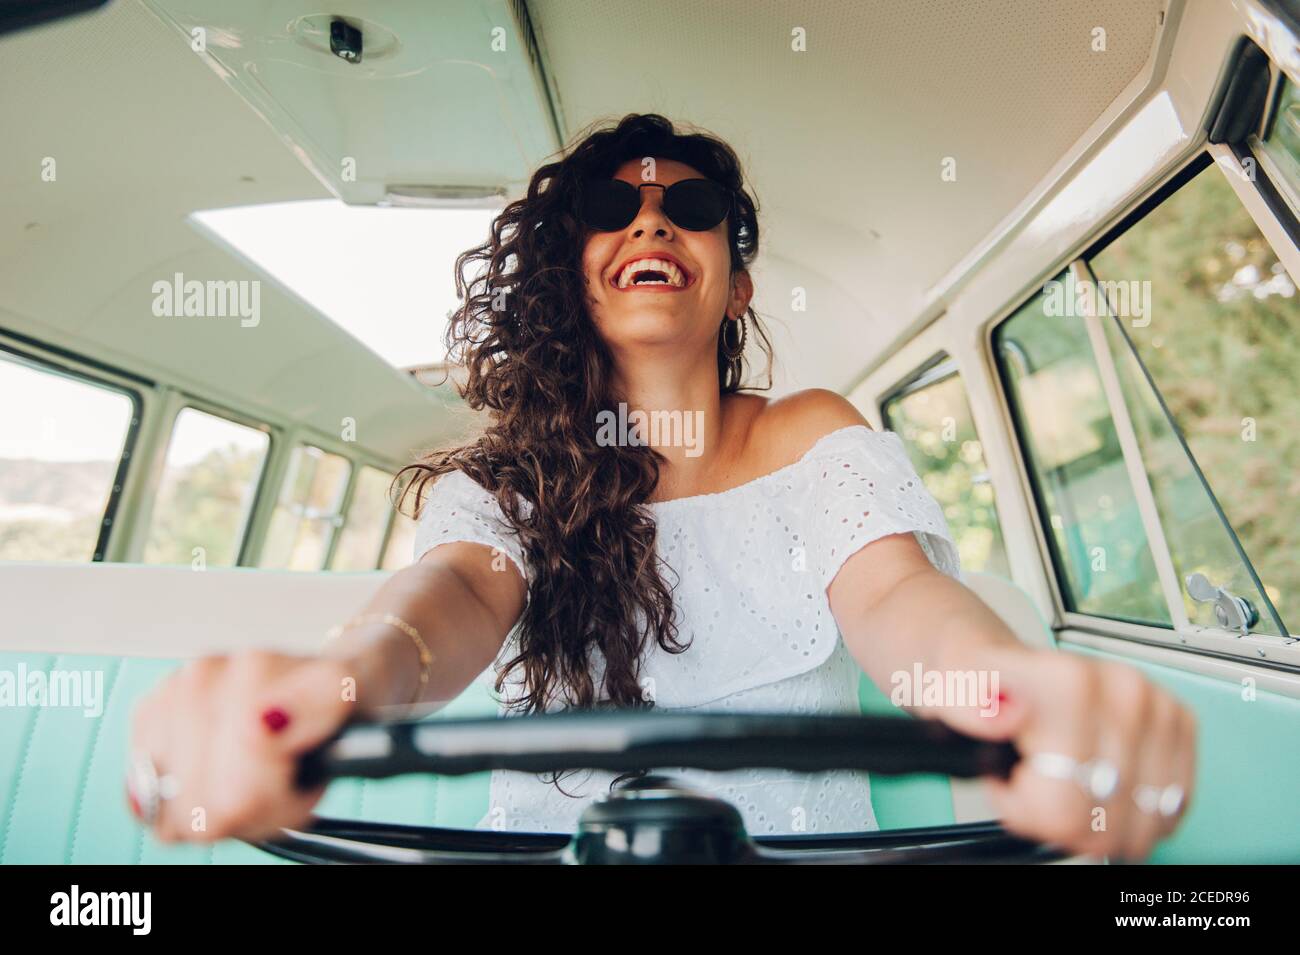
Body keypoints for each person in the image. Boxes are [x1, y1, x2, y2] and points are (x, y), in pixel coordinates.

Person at [128, 113, 1195, 859]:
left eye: (690, 206)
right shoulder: (505, 485)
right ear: (572, 268)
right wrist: (336, 687)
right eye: (612, 205)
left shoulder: (809, 436)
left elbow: (895, 601)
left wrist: (1004, 693)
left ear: (736, 285)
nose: (650, 221)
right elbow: (442, 607)